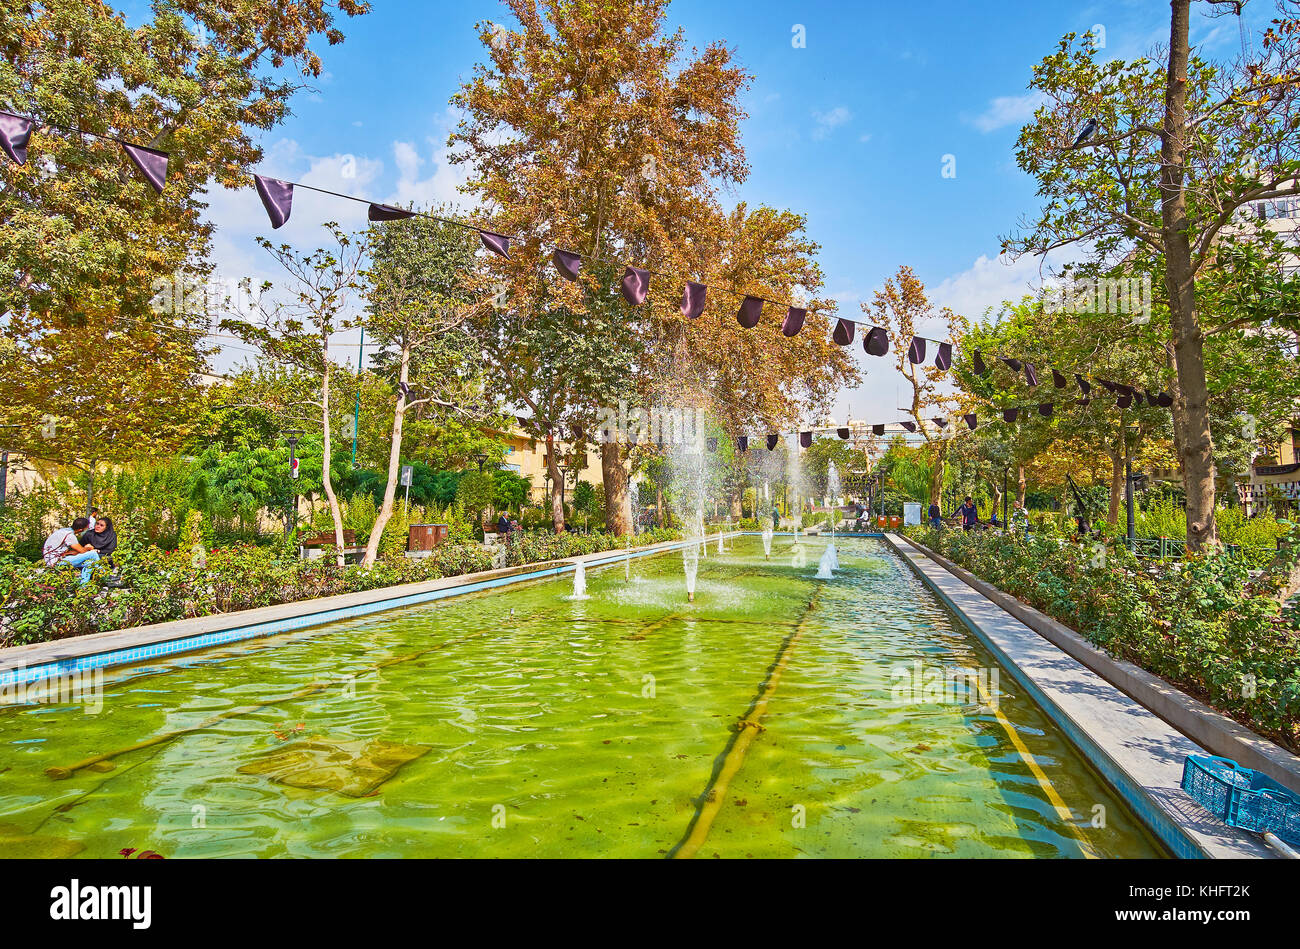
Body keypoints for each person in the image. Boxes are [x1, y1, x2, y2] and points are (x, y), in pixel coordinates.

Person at [43, 517, 99, 584]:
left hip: (53, 559)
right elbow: (82, 551)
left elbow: (71, 552)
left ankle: (83, 585)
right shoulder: (70, 536)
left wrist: (85, 549)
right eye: (87, 527)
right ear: (81, 529)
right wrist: (88, 548)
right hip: (55, 562)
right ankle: (103, 574)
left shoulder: (64, 530)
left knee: (90, 562)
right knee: (93, 554)